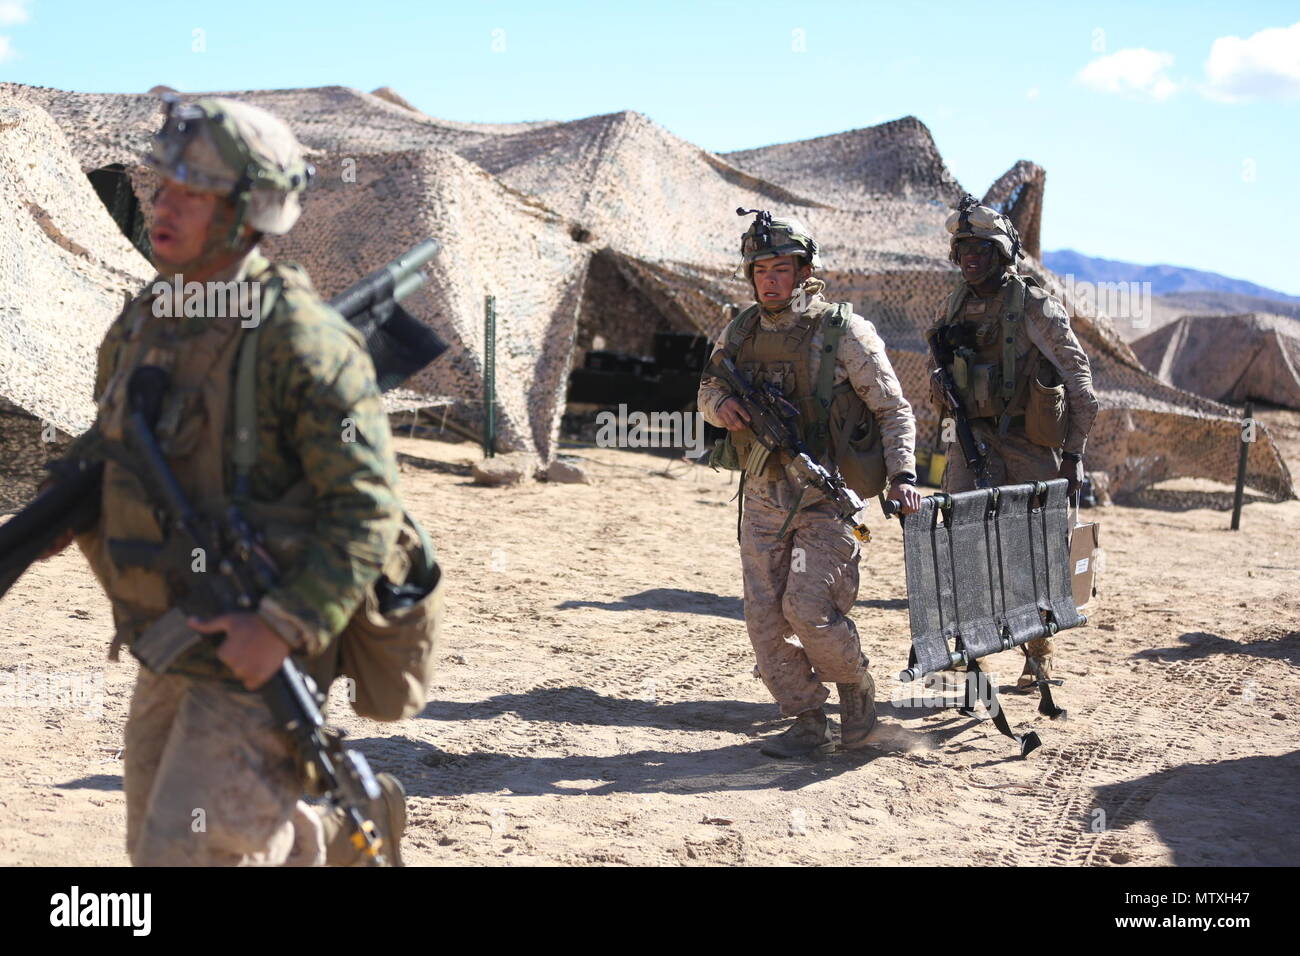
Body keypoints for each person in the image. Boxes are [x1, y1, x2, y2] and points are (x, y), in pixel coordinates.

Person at [43, 96, 407, 865]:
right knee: (154, 845)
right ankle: (306, 835)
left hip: (253, 652)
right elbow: (114, 438)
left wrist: (280, 625)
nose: (161, 203)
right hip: (166, 642)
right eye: (163, 184)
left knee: (188, 854)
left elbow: (367, 509)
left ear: (248, 213)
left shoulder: (300, 342)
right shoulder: (149, 316)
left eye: (191, 192)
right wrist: (58, 507)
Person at [698, 211, 921, 758]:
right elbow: (706, 386)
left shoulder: (843, 332)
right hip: (763, 497)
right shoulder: (740, 330)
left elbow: (893, 410)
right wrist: (720, 404)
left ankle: (857, 696)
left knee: (808, 608)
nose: (771, 280)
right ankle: (804, 718)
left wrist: (903, 475)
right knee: (763, 617)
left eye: (782, 268)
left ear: (804, 270)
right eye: (761, 270)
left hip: (826, 499)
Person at [928, 196, 1099, 689]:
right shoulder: (955, 302)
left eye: (981, 247)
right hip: (973, 438)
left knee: (1034, 549)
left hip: (1028, 441)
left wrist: (1073, 458)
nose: (970, 257)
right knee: (962, 543)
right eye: (963, 248)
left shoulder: (1034, 306)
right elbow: (936, 361)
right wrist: (941, 383)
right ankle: (969, 655)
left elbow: (1080, 381)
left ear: (1003, 251)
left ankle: (1038, 653)